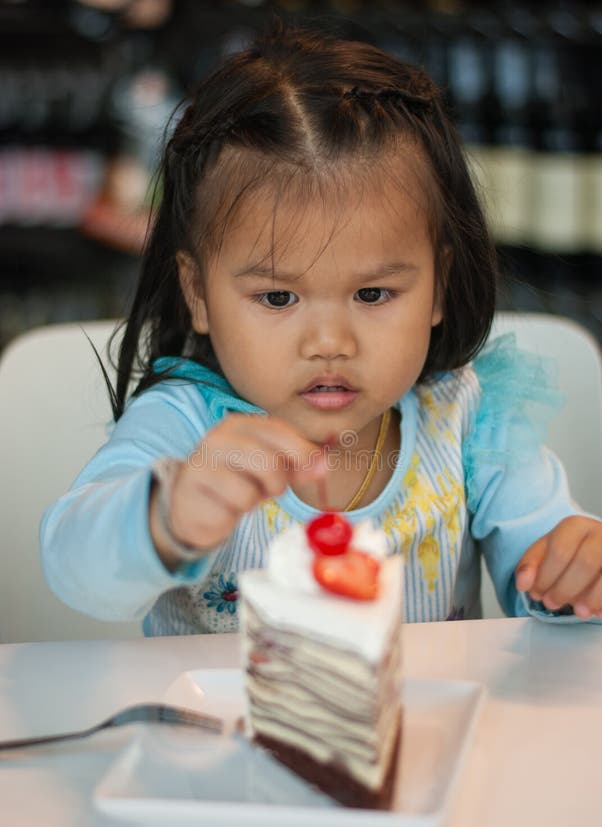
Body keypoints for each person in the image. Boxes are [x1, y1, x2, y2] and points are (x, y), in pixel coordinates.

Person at [41, 22, 602, 635]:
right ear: (197, 292)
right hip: (217, 731)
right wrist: (163, 518)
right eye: (278, 297)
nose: (330, 342)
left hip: (414, 730)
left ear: (439, 285)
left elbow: (549, 582)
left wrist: (572, 577)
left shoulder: (467, 421)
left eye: (372, 293)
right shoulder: (188, 427)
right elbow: (74, 563)